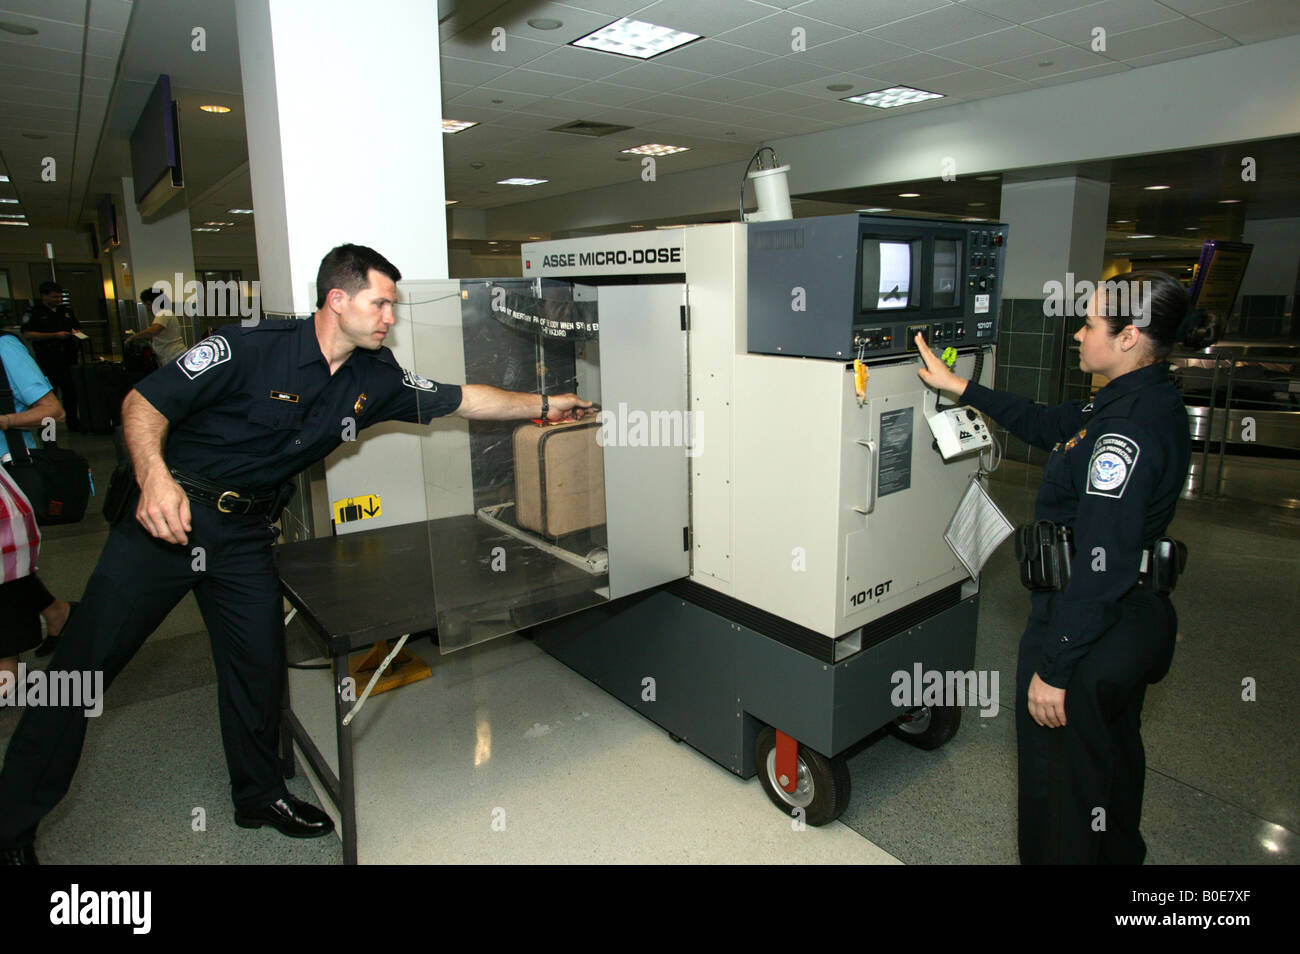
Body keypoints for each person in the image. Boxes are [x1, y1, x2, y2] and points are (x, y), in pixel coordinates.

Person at [0, 244, 594, 864]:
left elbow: (462, 398)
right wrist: (154, 477)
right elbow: (142, 403)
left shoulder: (376, 376)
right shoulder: (250, 346)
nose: (391, 315)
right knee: (82, 669)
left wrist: (547, 405)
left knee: (257, 669)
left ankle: (259, 796)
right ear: (338, 300)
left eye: (392, 303)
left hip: (245, 535)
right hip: (167, 520)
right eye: (380, 302)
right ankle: (11, 825)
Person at [914, 271, 1218, 865]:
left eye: (1089, 324)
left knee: (1059, 797)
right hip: (1133, 620)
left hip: (1091, 628)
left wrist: (1056, 667)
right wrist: (962, 387)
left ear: (1129, 336)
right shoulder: (1138, 397)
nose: (1077, 334)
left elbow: (1103, 562)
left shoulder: (1124, 431)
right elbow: (1045, 422)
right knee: (1107, 766)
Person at [0, 333, 76, 698]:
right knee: (9, 570)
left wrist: (5, 421)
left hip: (9, 472)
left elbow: (52, 411)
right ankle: (57, 611)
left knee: (5, 576)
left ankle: (6, 668)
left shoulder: (4, 347)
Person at [20, 281, 82, 432]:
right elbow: (28, 334)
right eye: (54, 297)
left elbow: (77, 327)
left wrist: (75, 333)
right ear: (44, 296)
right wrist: (54, 335)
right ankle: (47, 428)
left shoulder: (65, 311)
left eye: (60, 297)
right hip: (48, 358)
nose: (58, 300)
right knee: (48, 395)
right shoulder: (34, 312)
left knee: (71, 393)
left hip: (68, 357)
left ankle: (73, 423)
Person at [129, 289, 187, 364]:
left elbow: (153, 331)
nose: (147, 307)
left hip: (173, 355)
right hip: (173, 355)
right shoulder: (166, 313)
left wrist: (133, 337)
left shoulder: (163, 313)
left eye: (147, 304)